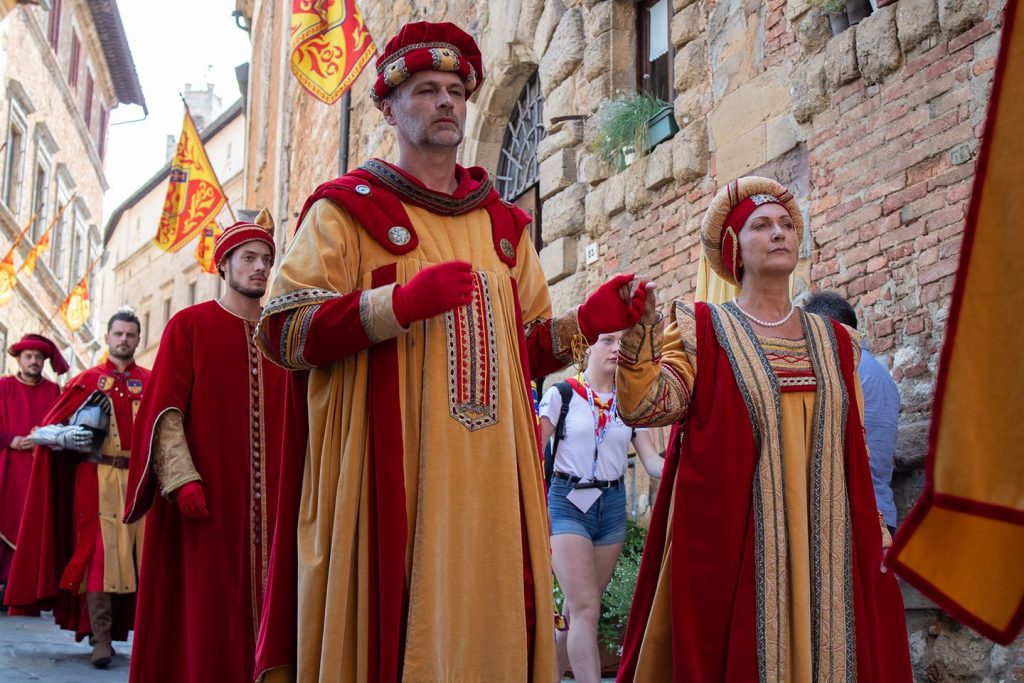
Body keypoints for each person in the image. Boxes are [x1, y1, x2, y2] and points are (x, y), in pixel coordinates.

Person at [253, 21, 645, 682]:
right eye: (427, 90)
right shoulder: (347, 212)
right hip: (388, 476)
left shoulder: (501, 224)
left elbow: (528, 346)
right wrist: (393, 305)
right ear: (388, 108)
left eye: (456, 91)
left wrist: (585, 325)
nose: (445, 102)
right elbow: (284, 328)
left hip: (494, 478)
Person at [613, 177, 912, 681]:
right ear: (734, 250)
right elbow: (646, 407)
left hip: (833, 542)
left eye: (786, 225)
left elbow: (854, 443)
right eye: (761, 226)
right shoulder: (703, 330)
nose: (779, 233)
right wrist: (637, 334)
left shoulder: (838, 340)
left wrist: (878, 532)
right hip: (737, 548)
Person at [123, 211, 287, 682]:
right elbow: (165, 410)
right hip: (206, 499)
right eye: (249, 258)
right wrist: (181, 478)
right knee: (206, 611)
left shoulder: (279, 334)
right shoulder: (189, 325)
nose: (260, 267)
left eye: (266, 259)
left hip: (274, 503)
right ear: (224, 265)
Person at [5, 310, 149, 668]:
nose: (124, 340)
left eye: (131, 334)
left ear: (138, 339)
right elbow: (47, 430)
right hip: (94, 481)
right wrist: (64, 435)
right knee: (99, 561)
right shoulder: (86, 381)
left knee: (139, 561)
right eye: (118, 333)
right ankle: (100, 640)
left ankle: (143, 639)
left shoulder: (151, 381)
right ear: (107, 336)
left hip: (138, 483)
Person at [538, 330, 663, 682]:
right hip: (566, 501)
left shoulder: (629, 401)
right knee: (587, 608)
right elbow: (533, 451)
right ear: (587, 345)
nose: (617, 348)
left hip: (610, 505)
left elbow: (651, 462)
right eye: (608, 340)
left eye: (622, 342)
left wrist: (686, 466)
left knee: (576, 609)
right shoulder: (561, 394)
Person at [804, 290, 901, 535]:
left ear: (826, 328)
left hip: (850, 518)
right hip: (881, 510)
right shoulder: (881, 375)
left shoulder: (844, 372)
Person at [0, 335, 65, 595]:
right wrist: (11, 440)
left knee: (34, 526)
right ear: (18, 359)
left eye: (39, 357)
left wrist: (47, 433)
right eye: (29, 356)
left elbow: (63, 426)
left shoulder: (53, 392)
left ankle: (21, 590)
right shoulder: (3, 387)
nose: (34, 361)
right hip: (7, 467)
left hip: (39, 471)